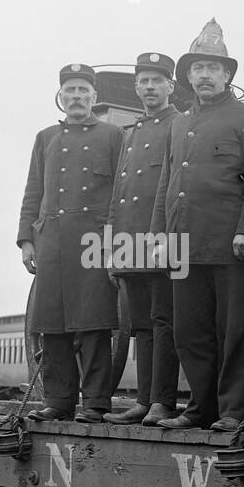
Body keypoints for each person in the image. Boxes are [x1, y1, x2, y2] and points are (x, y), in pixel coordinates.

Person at [151, 19, 244, 431]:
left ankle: (233, 410)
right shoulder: (179, 123)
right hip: (183, 244)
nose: (204, 75)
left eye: (213, 68)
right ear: (189, 76)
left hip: (231, 244)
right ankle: (201, 408)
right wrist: (160, 237)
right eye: (197, 68)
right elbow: (167, 182)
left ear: (228, 75)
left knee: (235, 330)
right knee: (190, 332)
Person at [16, 63, 124, 423]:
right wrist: (26, 240)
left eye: (83, 92)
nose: (76, 98)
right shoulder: (45, 137)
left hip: (93, 241)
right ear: (60, 98)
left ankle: (95, 403)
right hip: (51, 244)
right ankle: (58, 401)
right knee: (52, 324)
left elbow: (119, 195)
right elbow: (34, 191)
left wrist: (113, 241)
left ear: (94, 97)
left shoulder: (113, 136)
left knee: (93, 324)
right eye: (70, 92)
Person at [104, 52, 182, 426]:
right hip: (129, 241)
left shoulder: (180, 125)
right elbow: (119, 193)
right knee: (140, 325)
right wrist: (111, 246)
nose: (149, 87)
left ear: (171, 86)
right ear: (136, 88)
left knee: (164, 319)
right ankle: (143, 399)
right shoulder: (130, 134)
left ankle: (163, 402)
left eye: (156, 81)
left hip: (165, 238)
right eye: (143, 82)